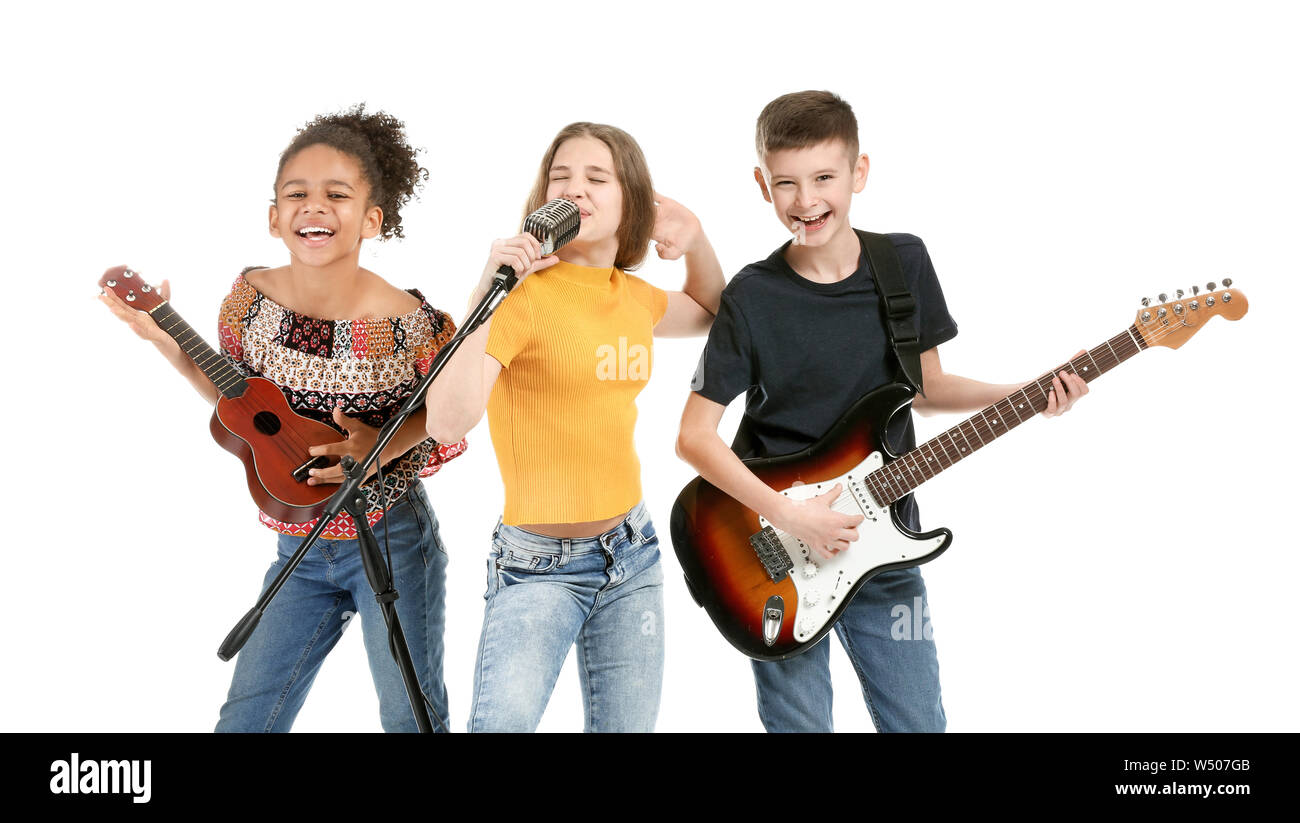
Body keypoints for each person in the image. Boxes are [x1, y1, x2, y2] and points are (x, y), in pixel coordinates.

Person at [675, 90, 1088, 732]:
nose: (805, 201)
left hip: (884, 543)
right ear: (762, 184)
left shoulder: (904, 263)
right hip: (772, 548)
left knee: (920, 724)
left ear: (859, 172)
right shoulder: (751, 297)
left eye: (823, 178)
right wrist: (790, 514)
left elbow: (927, 387)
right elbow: (694, 438)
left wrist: (1027, 395)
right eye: (786, 183)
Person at [99, 105, 463, 732]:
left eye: (337, 195)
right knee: (247, 716)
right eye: (296, 194)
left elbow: (451, 413)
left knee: (411, 715)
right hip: (299, 543)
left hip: (391, 538)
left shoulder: (410, 324)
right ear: (274, 216)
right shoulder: (249, 303)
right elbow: (244, 407)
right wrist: (165, 342)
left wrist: (382, 442)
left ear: (371, 219)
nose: (313, 206)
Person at [424, 122, 724, 732]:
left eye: (596, 178)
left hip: (631, 554)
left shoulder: (633, 296)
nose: (576, 190)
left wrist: (695, 238)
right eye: (561, 178)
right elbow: (448, 422)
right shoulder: (522, 299)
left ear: (631, 200)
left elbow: (712, 310)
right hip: (538, 567)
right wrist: (487, 288)